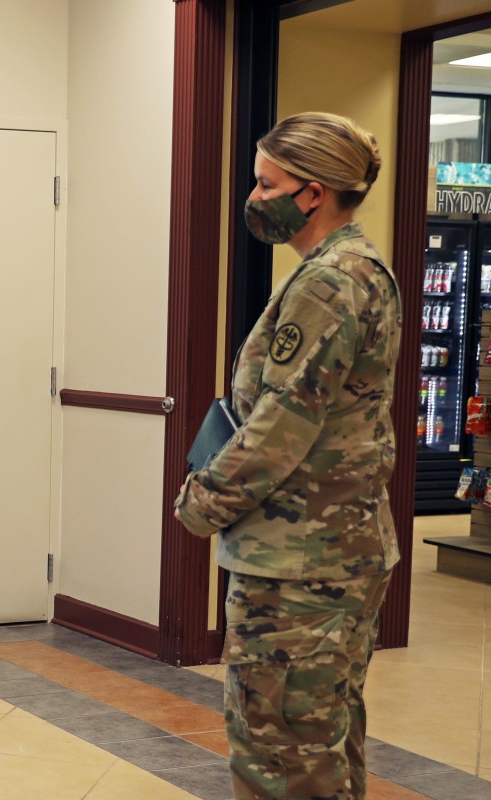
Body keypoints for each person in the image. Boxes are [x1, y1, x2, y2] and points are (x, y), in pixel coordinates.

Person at [175, 112, 401, 800]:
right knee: (320, 741)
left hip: (302, 565)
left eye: (263, 181)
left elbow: (280, 425)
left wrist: (202, 500)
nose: (253, 195)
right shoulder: (353, 270)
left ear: (311, 192)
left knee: (280, 751)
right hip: (331, 553)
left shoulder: (328, 282)